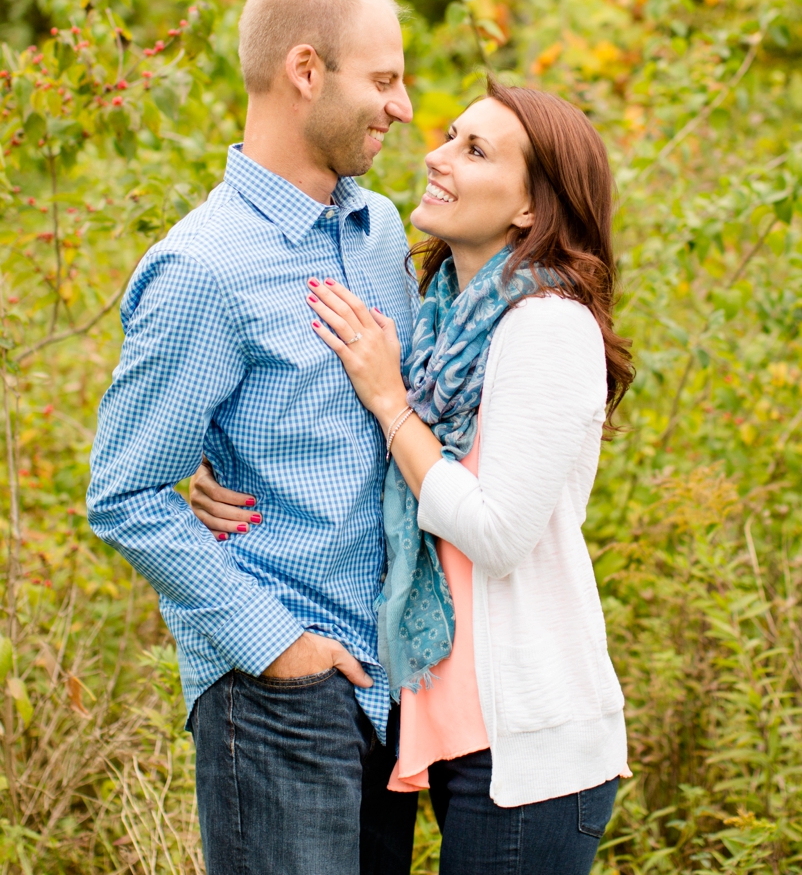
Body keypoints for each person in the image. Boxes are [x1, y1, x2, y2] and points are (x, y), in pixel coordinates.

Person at [192, 80, 635, 875]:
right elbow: (350, 450)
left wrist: (391, 402)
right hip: (444, 728)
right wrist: (213, 463)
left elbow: (498, 533)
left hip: (529, 743)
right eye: (450, 135)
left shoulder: (548, 325)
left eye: (475, 150)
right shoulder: (434, 316)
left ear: (529, 208)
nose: (436, 156)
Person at [86, 0, 422, 875]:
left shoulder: (381, 231)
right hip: (280, 693)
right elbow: (125, 494)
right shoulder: (204, 269)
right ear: (306, 71)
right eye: (384, 80)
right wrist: (278, 648)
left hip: (388, 687)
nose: (401, 108)